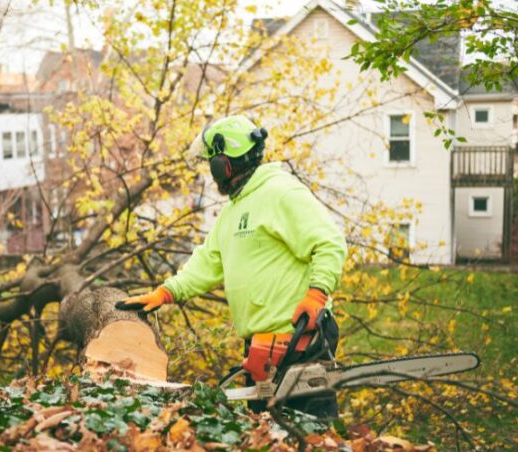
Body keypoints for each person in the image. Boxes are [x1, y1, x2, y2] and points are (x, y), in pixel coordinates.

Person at [116, 115, 347, 418]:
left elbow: (330, 243)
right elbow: (207, 261)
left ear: (223, 165)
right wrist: (166, 292)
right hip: (261, 350)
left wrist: (316, 294)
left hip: (300, 343)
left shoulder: (281, 192)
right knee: (267, 433)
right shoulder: (233, 211)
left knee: (314, 433)